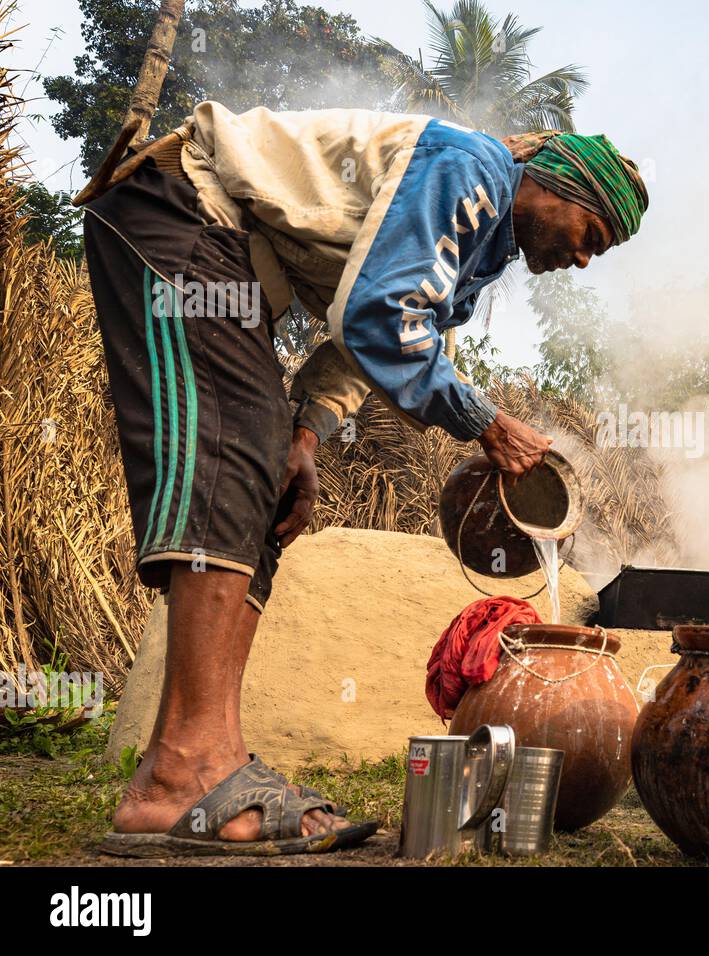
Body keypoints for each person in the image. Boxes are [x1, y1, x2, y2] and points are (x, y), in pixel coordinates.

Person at [81, 102, 649, 857]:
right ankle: (183, 776)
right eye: (593, 238)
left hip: (227, 264)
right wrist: (484, 421)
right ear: (559, 186)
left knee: (267, 484)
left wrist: (307, 435)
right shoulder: (470, 167)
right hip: (182, 212)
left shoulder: (477, 257)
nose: (583, 260)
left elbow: (365, 340)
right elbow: (381, 316)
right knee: (234, 450)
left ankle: (189, 764)